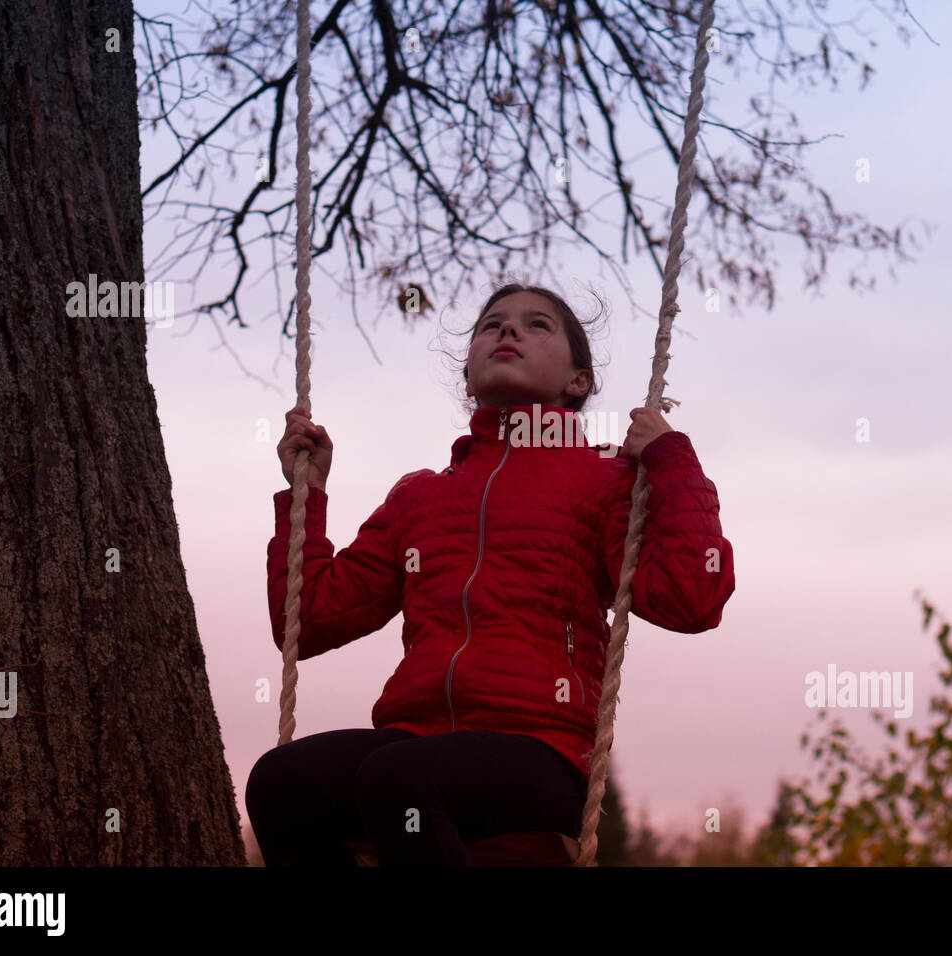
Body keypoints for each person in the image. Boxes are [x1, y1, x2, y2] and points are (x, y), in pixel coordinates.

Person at [245, 282, 735, 866]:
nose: (507, 331)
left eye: (537, 325)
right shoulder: (421, 496)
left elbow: (691, 600)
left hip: (540, 750)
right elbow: (307, 621)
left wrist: (672, 458)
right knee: (281, 782)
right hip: (413, 742)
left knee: (396, 777)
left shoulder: (608, 479)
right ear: (469, 370)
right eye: (492, 324)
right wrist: (310, 492)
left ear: (578, 382)